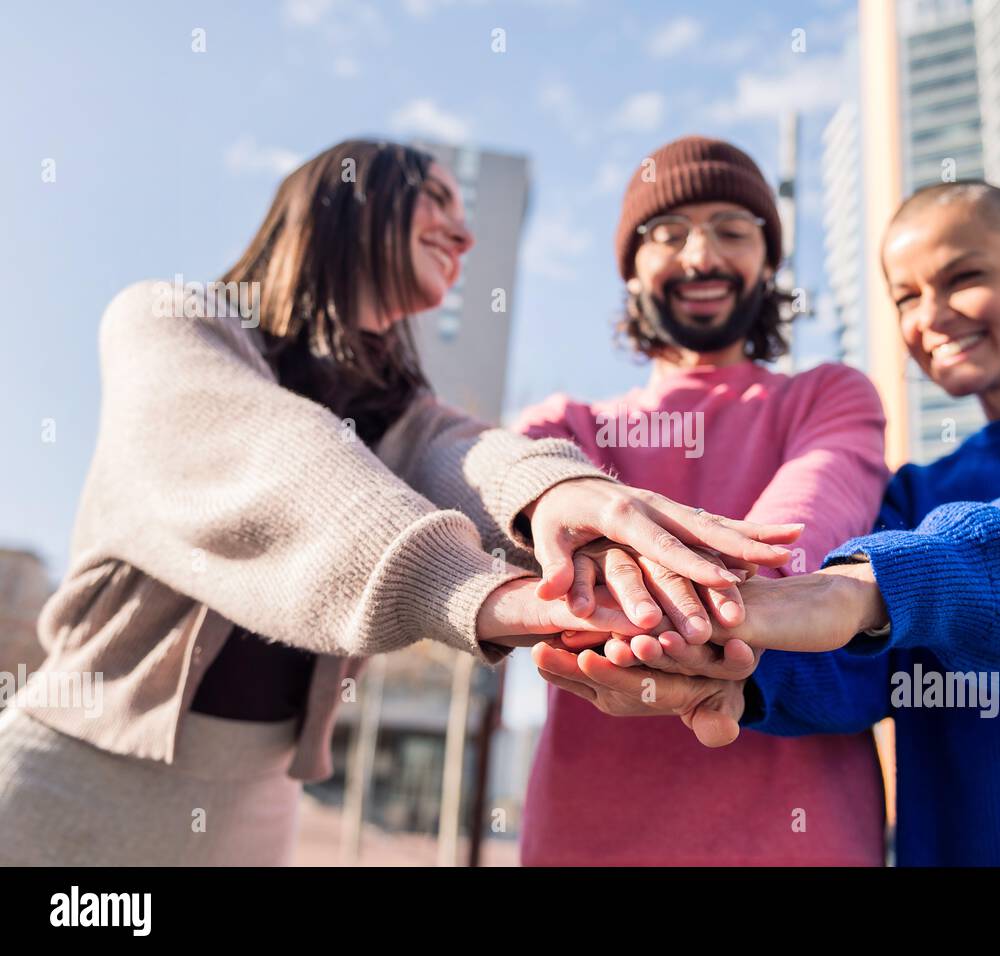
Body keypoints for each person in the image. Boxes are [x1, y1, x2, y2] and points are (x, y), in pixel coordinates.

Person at [0, 138, 799, 866]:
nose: (463, 233)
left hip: (261, 798)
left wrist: (568, 493)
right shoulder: (169, 320)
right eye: (436, 201)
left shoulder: (404, 412)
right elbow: (281, 460)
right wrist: (481, 592)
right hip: (74, 775)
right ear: (347, 198)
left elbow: (472, 456)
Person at [539, 180, 1000, 866]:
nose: (932, 315)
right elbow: (842, 667)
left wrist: (872, 585)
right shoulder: (907, 503)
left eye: (964, 277)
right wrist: (720, 666)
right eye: (905, 297)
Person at [516, 136, 890, 866]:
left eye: (731, 229)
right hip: (589, 833)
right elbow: (505, 520)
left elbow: (808, 513)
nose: (700, 257)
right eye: (669, 234)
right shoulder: (562, 430)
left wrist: (684, 608)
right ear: (630, 272)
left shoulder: (829, 396)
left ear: (768, 261)